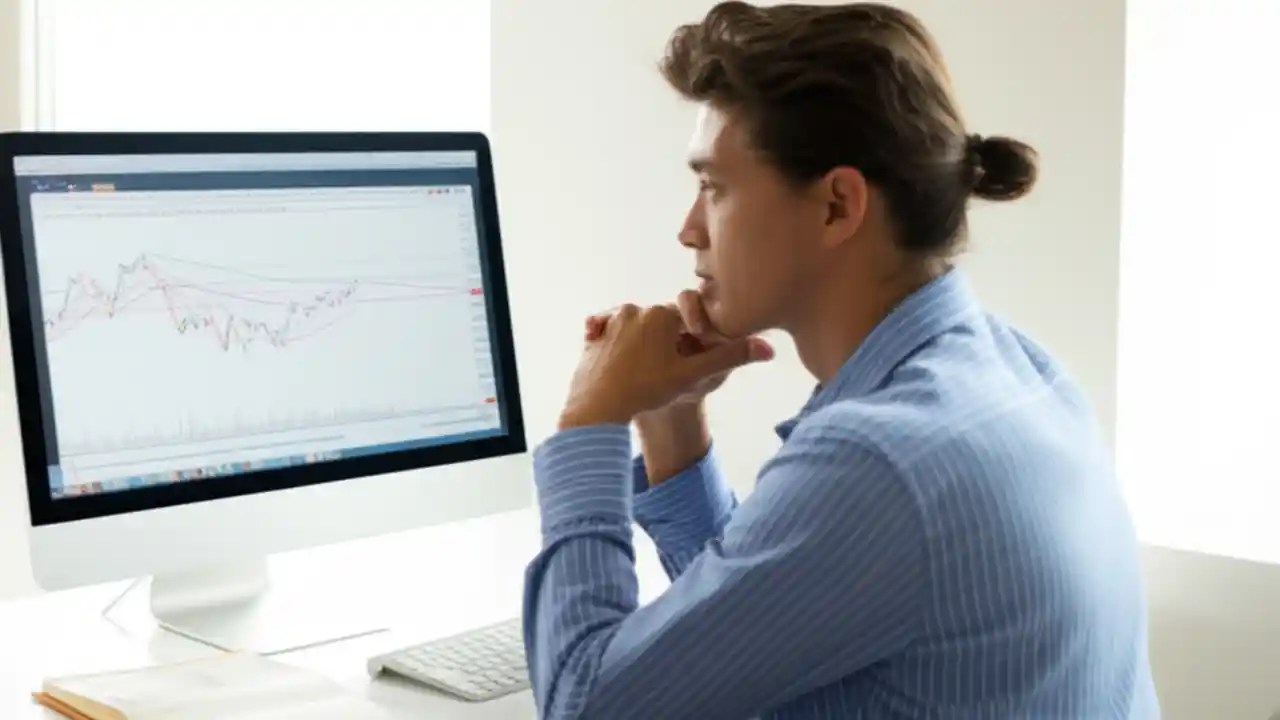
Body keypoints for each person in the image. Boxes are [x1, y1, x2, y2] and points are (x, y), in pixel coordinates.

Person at [521, 2, 1159, 718]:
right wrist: (672, 426)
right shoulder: (1021, 370)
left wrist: (589, 421)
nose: (687, 229)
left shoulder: (878, 460)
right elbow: (748, 628)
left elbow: (584, 705)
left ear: (837, 206)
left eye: (713, 187)